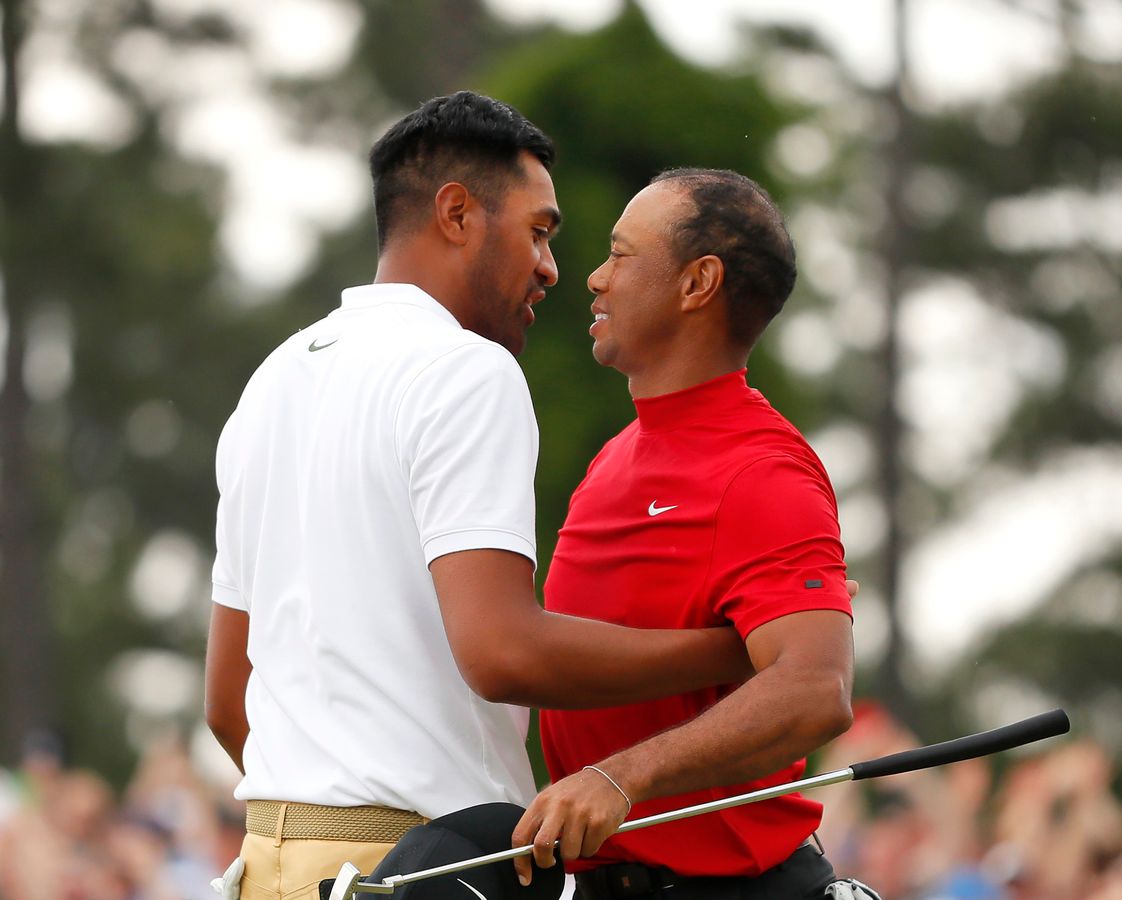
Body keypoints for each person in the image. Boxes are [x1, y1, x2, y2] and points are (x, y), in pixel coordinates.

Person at [204, 94, 754, 900]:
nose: (552, 269)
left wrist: (325, 796)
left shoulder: (274, 377)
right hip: (415, 871)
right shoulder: (467, 368)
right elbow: (502, 652)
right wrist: (728, 650)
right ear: (457, 213)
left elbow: (227, 701)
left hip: (265, 866)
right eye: (537, 232)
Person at [513, 169, 860, 899]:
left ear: (698, 282)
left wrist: (621, 778)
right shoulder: (613, 456)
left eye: (621, 254)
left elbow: (815, 689)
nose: (595, 279)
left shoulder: (762, 470)